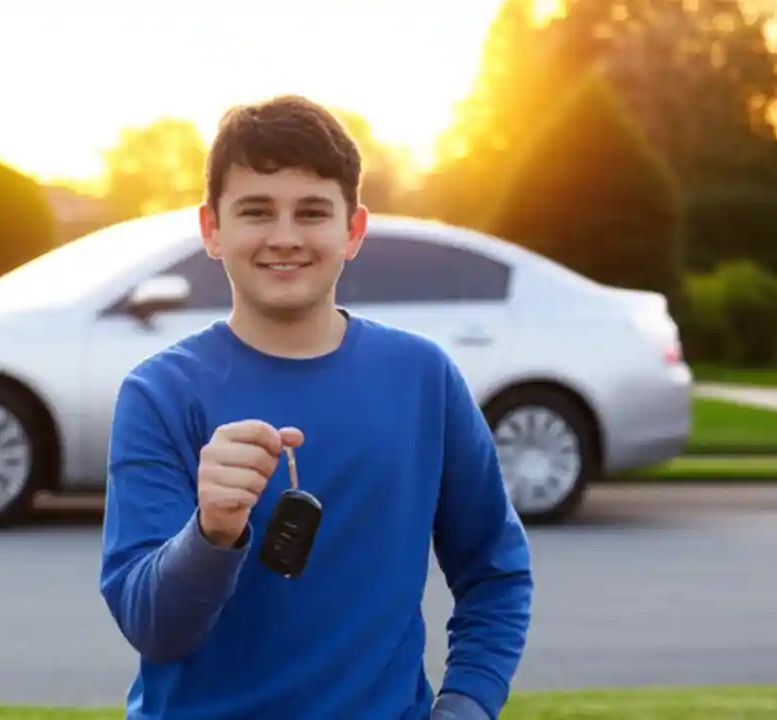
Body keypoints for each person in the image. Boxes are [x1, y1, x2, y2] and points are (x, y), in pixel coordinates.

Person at [98, 94, 533, 720]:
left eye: (311, 212)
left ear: (352, 231)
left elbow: (496, 572)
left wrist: (467, 703)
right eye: (256, 211)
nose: (284, 237)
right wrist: (211, 533)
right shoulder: (159, 395)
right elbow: (153, 628)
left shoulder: (422, 379)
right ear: (211, 229)